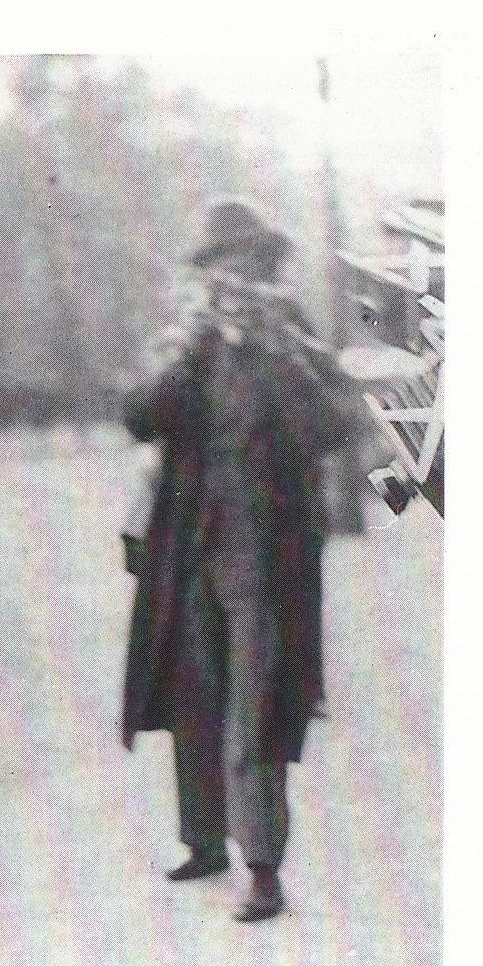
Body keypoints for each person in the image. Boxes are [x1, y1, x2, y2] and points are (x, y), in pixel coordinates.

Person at [121, 197, 346, 923]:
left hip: (266, 559)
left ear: (265, 272)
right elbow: (139, 418)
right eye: (218, 269)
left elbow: (332, 428)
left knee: (256, 706)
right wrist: (189, 353)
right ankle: (204, 839)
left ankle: (263, 868)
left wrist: (275, 353)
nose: (229, 281)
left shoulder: (292, 339)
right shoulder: (188, 341)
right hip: (188, 551)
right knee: (193, 696)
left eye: (243, 267)